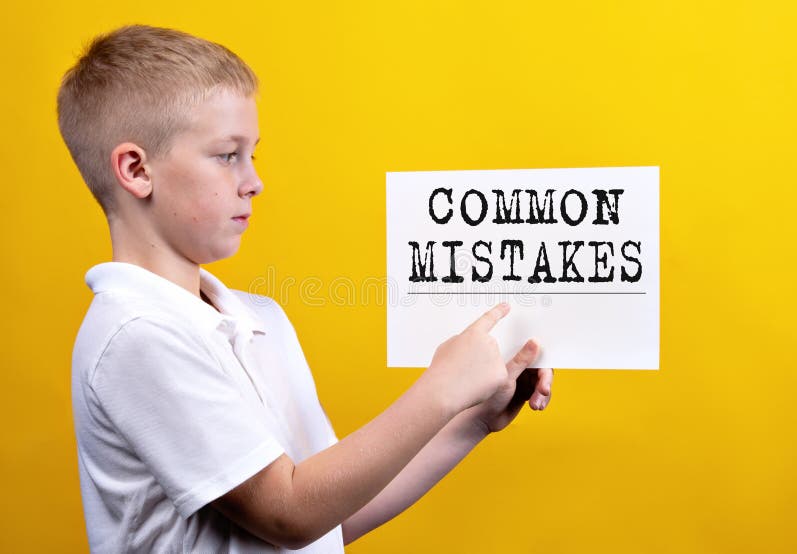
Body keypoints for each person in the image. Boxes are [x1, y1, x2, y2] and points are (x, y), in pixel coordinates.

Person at [58, 24, 554, 553]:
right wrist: (441, 389)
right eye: (227, 155)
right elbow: (287, 512)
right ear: (136, 169)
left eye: (253, 154)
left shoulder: (260, 319)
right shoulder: (136, 335)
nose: (254, 180)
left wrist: (473, 418)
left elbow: (330, 515)